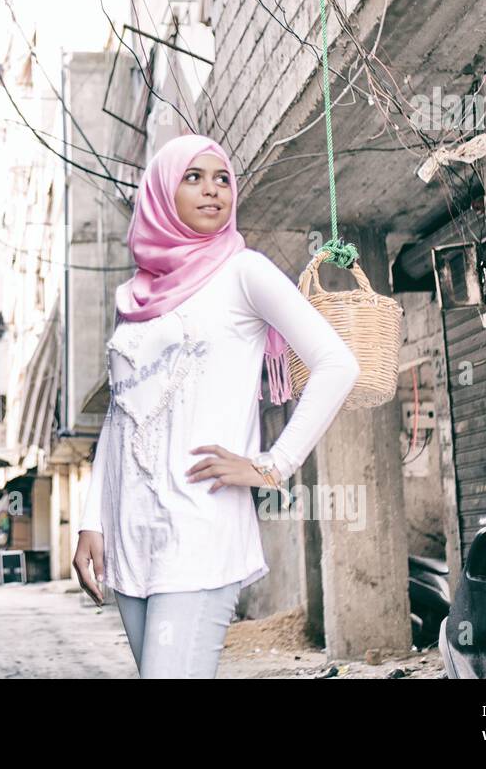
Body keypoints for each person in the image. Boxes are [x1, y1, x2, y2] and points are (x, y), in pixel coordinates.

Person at [71, 134, 360, 679]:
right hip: (132, 534)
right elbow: (119, 416)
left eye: (222, 178)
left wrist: (273, 464)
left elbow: (337, 364)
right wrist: (92, 522)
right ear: (160, 194)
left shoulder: (243, 271)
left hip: (200, 530)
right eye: (194, 178)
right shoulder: (134, 299)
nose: (213, 191)